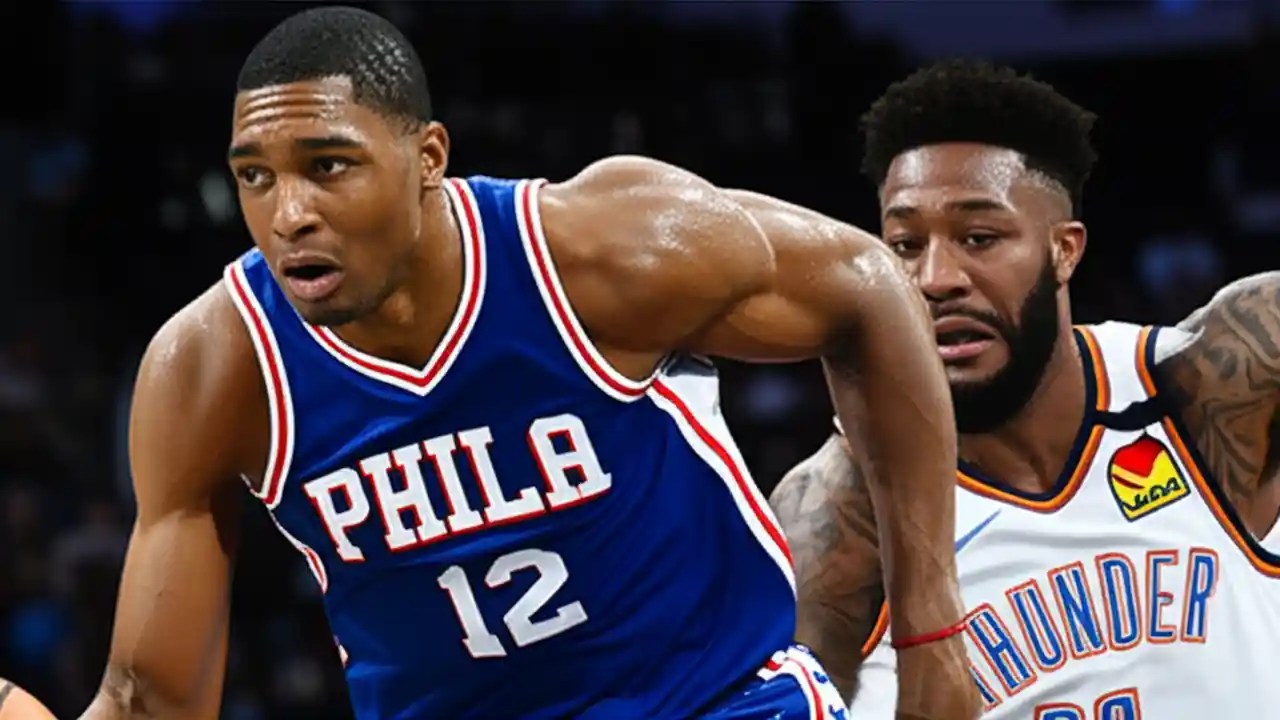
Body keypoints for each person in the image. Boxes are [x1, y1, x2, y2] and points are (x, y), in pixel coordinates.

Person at [76, 7, 976, 720]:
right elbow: (151, 699)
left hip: (719, 702)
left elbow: (866, 286)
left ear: (427, 157)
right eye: (255, 176)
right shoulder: (215, 368)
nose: (289, 214)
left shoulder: (595, 254)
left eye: (329, 166)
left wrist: (931, 635)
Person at [770, 57, 1280, 718]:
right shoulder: (843, 509)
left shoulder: (1214, 381)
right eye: (905, 245)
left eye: (978, 238)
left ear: (1065, 250)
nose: (935, 278)